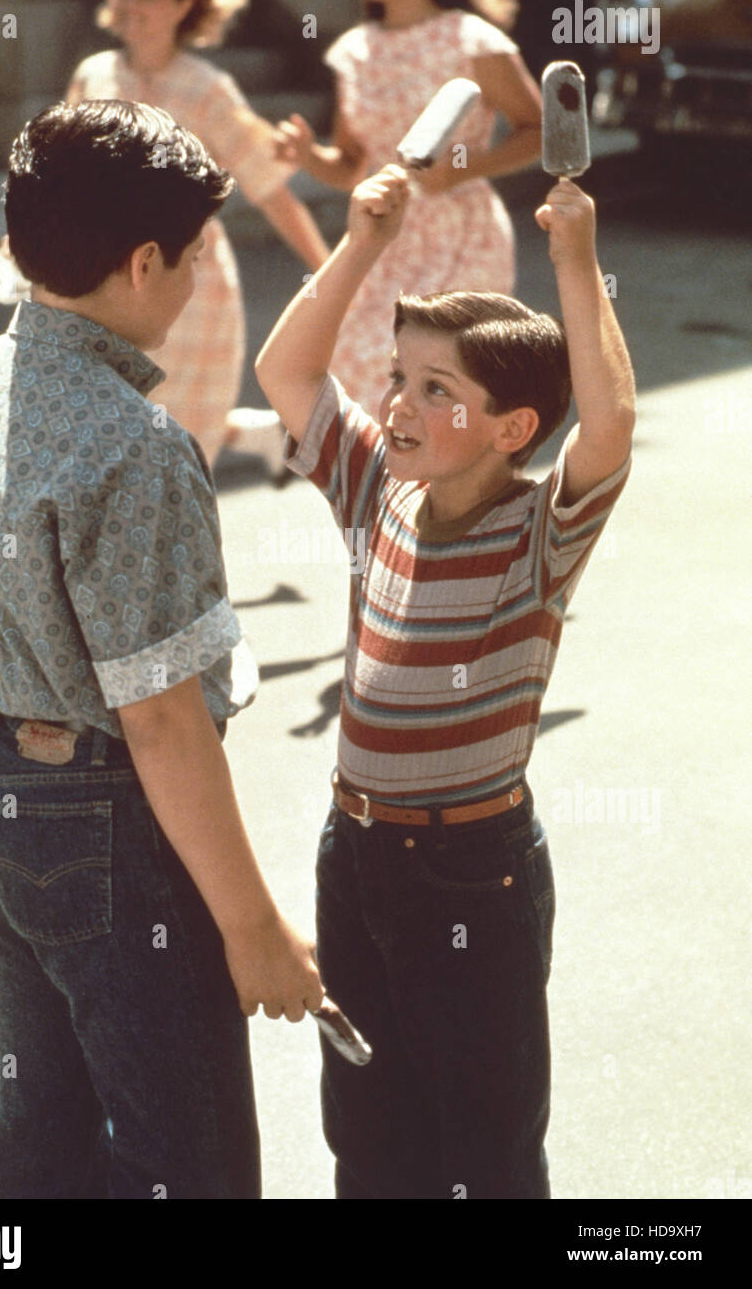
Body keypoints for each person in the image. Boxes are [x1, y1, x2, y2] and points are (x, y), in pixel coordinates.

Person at [0, 99, 323, 1200]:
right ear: (143, 262)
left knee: (34, 1124)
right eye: (191, 258)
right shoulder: (136, 447)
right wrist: (256, 929)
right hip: (111, 820)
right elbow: (163, 719)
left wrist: (25, 770)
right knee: (187, 1157)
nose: (194, 283)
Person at [255, 161, 635, 1198]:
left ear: (512, 428)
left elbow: (606, 427)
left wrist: (577, 259)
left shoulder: (536, 534)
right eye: (398, 379)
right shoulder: (381, 483)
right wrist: (361, 245)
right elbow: (287, 372)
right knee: (368, 1135)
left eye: (438, 390)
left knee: (485, 1145)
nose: (401, 405)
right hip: (357, 847)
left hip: (473, 866)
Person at [64, 0, 330, 468]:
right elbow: (59, 181)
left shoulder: (206, 88)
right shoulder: (92, 78)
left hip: (188, 295)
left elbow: (272, 194)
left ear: (183, 5)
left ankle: (238, 442)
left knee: (173, 457)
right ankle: (255, 432)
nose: (132, 4)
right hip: (98, 287)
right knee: (102, 442)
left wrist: (333, 277)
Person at [274, 0, 543, 416]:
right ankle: (382, 498)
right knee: (359, 375)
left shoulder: (473, 40)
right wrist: (310, 157)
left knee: (442, 391)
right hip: (382, 240)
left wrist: (463, 166)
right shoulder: (353, 50)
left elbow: (539, 133)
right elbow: (353, 164)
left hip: (462, 239)